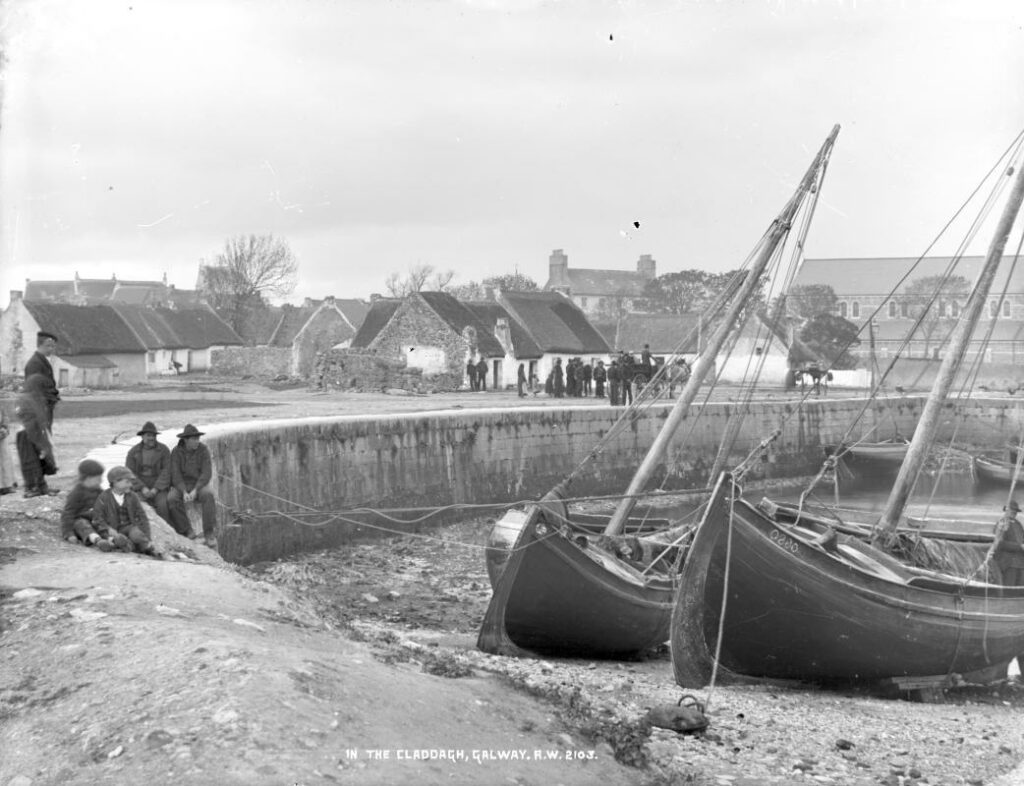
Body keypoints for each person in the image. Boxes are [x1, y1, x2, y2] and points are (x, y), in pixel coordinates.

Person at [92, 465, 162, 558]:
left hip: (128, 528)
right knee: (118, 539)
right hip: (112, 530)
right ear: (115, 482)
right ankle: (124, 545)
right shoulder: (103, 497)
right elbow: (97, 518)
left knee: (136, 534)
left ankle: (148, 548)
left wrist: (148, 537)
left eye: (130, 482)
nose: (130, 485)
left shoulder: (133, 496)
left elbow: (142, 517)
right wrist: (108, 528)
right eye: (127, 482)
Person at [168, 424, 217, 546]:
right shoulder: (176, 452)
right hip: (182, 485)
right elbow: (175, 474)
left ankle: (209, 532)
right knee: (171, 499)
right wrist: (184, 491)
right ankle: (187, 530)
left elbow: (206, 473)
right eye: (194, 439)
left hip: (198, 484)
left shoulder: (203, 450)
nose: (197, 441)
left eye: (198, 438)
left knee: (208, 495)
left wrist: (196, 489)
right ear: (186, 440)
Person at [15, 374, 59, 497]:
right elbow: (25, 416)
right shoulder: (23, 399)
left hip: (37, 431)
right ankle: (31, 488)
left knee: (41, 460)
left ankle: (42, 486)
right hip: (26, 433)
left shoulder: (36, 398)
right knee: (29, 461)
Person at [61, 459, 118, 551]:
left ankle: (112, 539)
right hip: (80, 521)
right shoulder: (77, 493)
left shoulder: (98, 490)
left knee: (101, 524)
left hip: (94, 519)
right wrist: (69, 533)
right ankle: (98, 541)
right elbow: (68, 514)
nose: (100, 481)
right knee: (82, 524)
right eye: (98, 478)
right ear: (87, 478)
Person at [125, 421, 173, 530]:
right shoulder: (133, 452)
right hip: (140, 486)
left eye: (153, 436)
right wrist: (142, 488)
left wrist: (156, 489)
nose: (151, 438)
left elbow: (167, 471)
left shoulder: (164, 450)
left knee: (163, 505)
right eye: (148, 435)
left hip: (159, 487)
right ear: (142, 436)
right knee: (137, 505)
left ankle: (167, 531)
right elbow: (129, 473)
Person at [24, 331, 60, 429]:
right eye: (48, 346)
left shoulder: (42, 361)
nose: (51, 349)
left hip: (45, 407)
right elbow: (34, 390)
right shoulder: (35, 364)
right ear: (39, 345)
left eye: (53, 346)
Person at [995, 500, 1024, 586]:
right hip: (1008, 563)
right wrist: (1019, 547)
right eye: (1012, 510)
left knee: (1020, 589)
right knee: (1009, 588)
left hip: (1021, 563)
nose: (1014, 512)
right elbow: (1000, 543)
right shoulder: (1002, 523)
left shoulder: (1018, 525)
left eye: (1015, 510)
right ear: (1006, 510)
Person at [0, 398, 17, 494]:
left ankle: (7, 485)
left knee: (5, 461)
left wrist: (4, 428)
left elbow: (5, 417)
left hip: (2, 438)